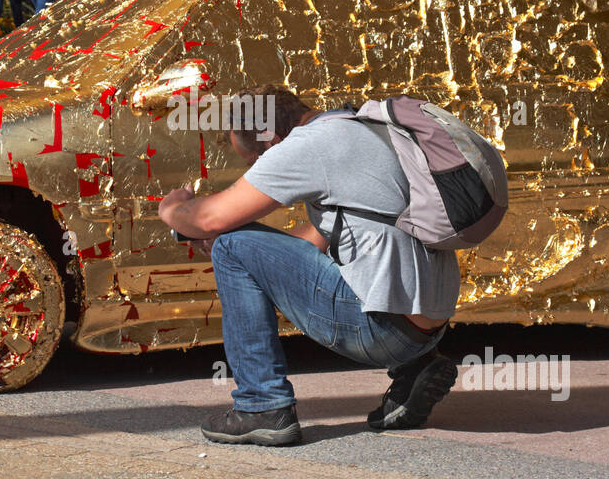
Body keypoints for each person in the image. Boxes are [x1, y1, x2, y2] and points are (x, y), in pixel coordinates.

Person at [158, 85, 461, 446]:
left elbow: (209, 219)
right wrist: (260, 257)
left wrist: (173, 210)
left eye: (255, 158)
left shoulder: (308, 145)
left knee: (230, 244)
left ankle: (261, 405)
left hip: (381, 331)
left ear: (270, 138)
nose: (258, 168)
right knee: (245, 247)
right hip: (427, 325)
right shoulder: (362, 128)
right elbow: (316, 243)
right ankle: (417, 368)